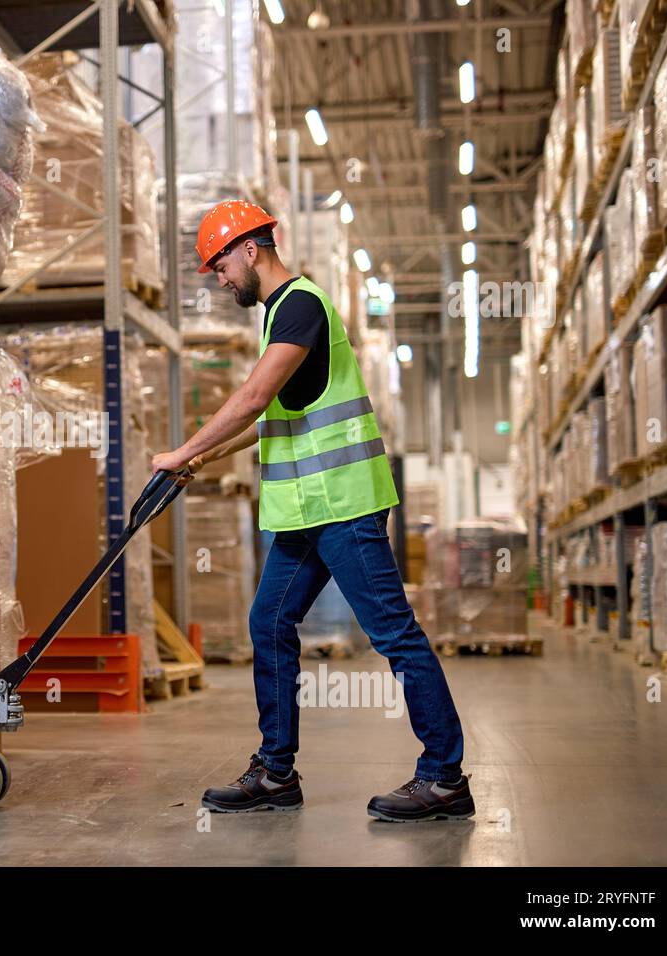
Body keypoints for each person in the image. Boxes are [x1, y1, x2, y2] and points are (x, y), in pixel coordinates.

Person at [151, 199, 472, 822]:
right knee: (268, 623)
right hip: (305, 514)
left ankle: (444, 777)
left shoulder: (300, 305)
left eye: (219, 266)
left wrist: (182, 450)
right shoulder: (279, 314)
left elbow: (252, 397)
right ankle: (276, 773)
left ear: (251, 249)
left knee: (395, 636)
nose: (219, 280)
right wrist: (205, 460)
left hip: (345, 508)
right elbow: (273, 416)